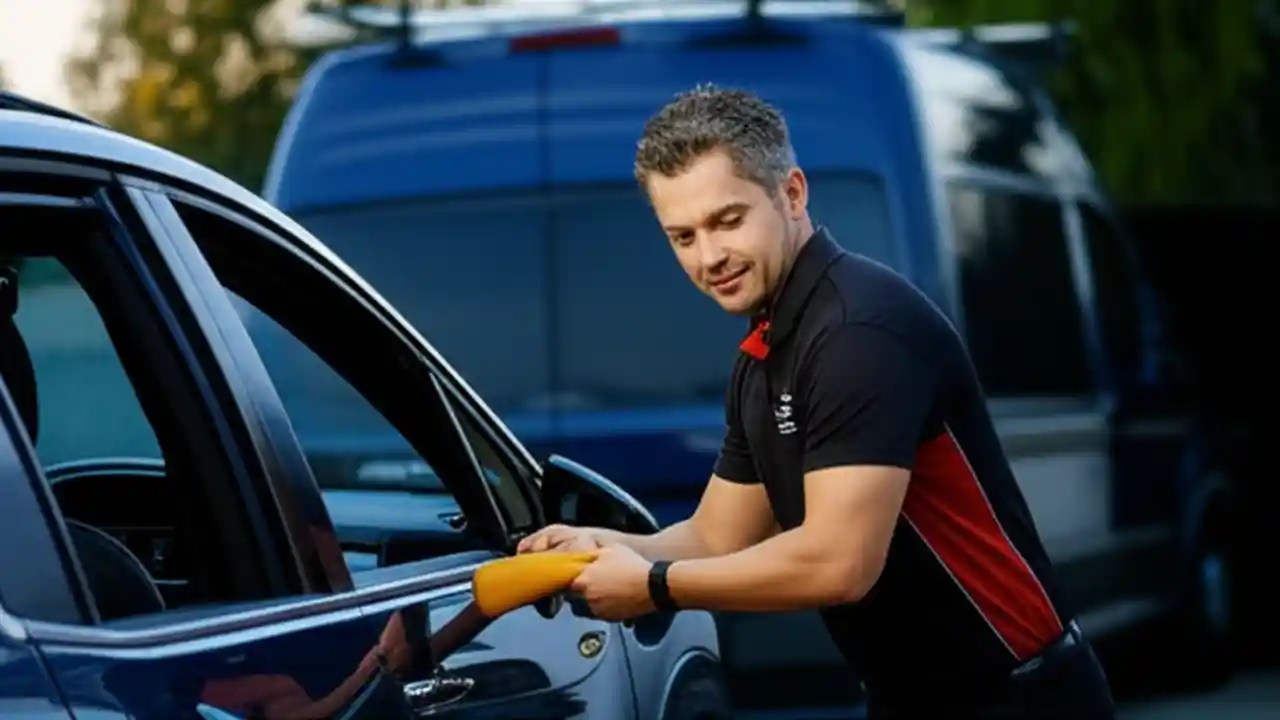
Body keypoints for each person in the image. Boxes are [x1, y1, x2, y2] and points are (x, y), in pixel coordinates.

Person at [516, 84, 1115, 718]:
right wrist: (605, 546)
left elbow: (839, 563)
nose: (709, 256)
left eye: (727, 220)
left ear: (792, 194)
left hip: (1017, 699)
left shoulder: (860, 331)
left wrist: (654, 587)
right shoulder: (767, 349)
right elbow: (720, 535)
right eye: (682, 236)